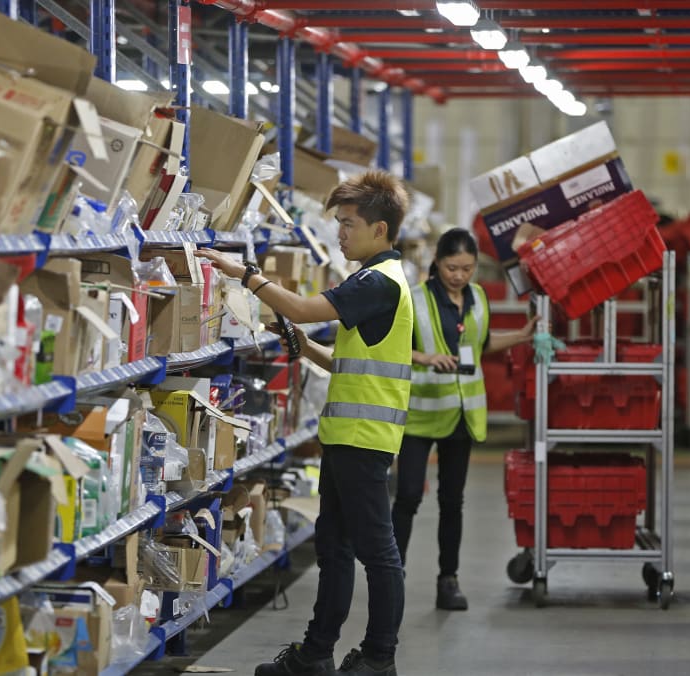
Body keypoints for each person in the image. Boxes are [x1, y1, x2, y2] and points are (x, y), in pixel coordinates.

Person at [196, 170, 413, 676]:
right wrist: (302, 343)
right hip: (347, 436)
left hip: (364, 440)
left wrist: (244, 274)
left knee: (377, 553)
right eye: (338, 223)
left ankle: (380, 657)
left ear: (380, 230)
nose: (341, 233)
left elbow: (301, 305)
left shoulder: (377, 281)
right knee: (334, 547)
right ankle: (317, 653)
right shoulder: (378, 280)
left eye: (349, 224)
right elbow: (347, 362)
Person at [391, 228, 539, 611]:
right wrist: (424, 357)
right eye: (452, 267)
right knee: (407, 496)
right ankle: (392, 577)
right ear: (436, 262)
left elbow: (481, 343)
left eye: (467, 268)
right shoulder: (415, 299)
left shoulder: (478, 297)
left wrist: (522, 335)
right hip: (420, 415)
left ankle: (448, 580)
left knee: (452, 501)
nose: (459, 275)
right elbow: (392, 348)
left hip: (461, 415)